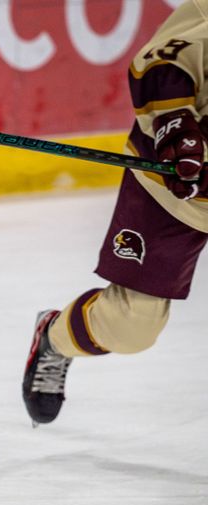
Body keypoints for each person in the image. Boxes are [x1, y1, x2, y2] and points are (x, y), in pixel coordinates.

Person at [23, 0, 208, 425]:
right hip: (174, 194)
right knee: (131, 325)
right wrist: (175, 127)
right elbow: (163, 64)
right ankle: (54, 337)